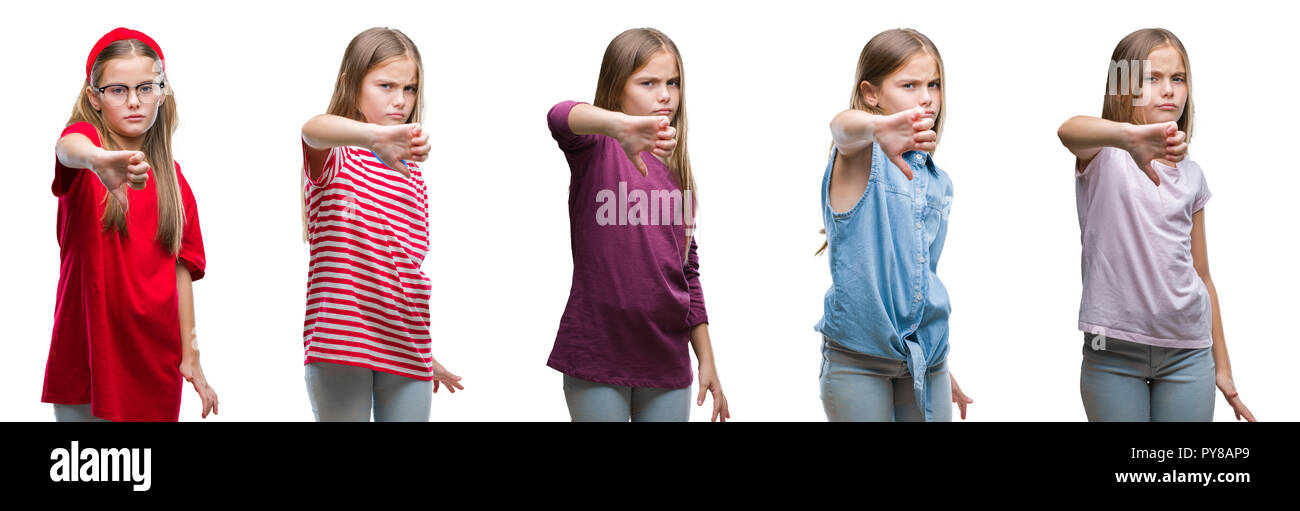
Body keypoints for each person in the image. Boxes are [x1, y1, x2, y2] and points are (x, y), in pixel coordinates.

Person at [1057, 28, 1255, 422]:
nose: (1169, 91)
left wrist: (1223, 367)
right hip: (1111, 351)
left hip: (1189, 351)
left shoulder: (1193, 176)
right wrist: (1129, 136)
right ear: (1123, 86)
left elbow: (1203, 276)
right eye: (1152, 78)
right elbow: (1068, 130)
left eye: (1177, 79)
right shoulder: (1105, 155)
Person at [546, 27, 729, 422]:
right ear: (617, 86)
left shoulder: (679, 172)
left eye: (673, 83)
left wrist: (707, 360)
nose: (665, 95)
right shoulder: (595, 146)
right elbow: (559, 116)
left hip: (666, 360)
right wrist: (619, 125)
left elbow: (687, 273)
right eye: (648, 83)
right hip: (598, 353)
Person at [43, 27, 217, 421]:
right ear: (94, 98)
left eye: (145, 88)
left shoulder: (175, 183)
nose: (134, 101)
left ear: (162, 91)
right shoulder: (86, 149)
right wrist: (99, 160)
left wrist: (191, 356)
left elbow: (181, 271)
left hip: (153, 361)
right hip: (86, 353)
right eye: (117, 90)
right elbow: (67, 148)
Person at [300, 27, 463, 422]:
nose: (400, 101)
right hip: (341, 343)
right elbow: (311, 130)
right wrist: (373, 136)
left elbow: (402, 266)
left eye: (409, 89)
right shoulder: (336, 154)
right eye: (386, 85)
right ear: (350, 84)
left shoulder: (413, 177)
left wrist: (423, 348)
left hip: (408, 346)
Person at [815, 28, 973, 422]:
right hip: (859, 360)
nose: (926, 97)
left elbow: (918, 276)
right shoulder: (858, 156)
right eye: (909, 85)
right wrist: (873, 128)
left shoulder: (938, 180)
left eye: (933, 84)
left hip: (927, 358)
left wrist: (937, 365)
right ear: (871, 93)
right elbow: (841, 127)